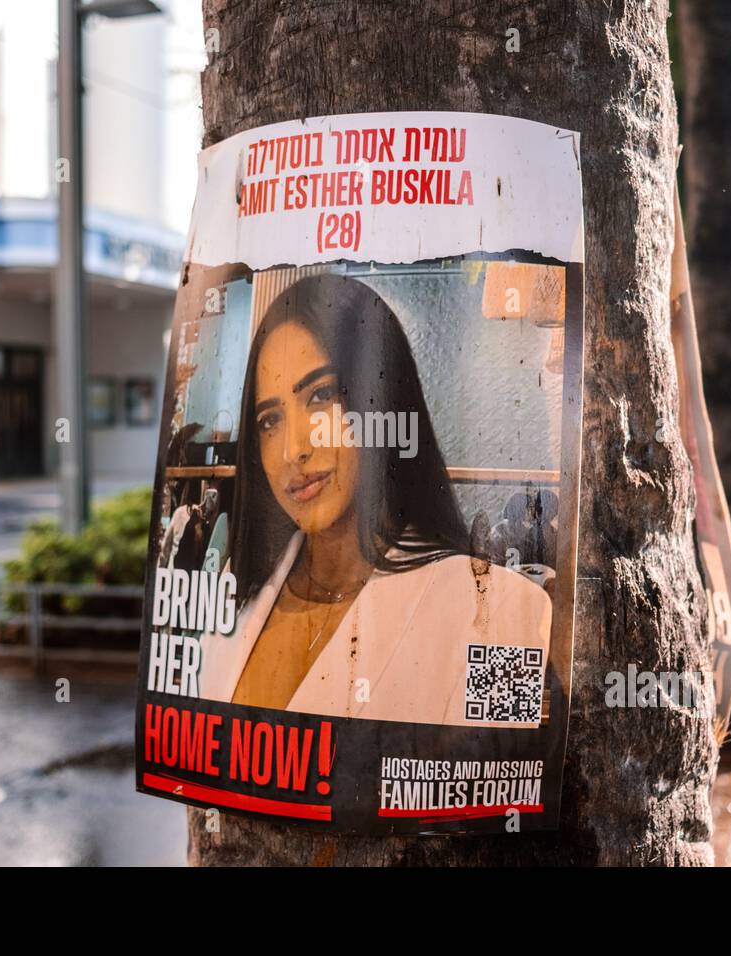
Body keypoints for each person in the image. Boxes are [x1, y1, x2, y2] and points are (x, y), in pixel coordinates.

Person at [195, 274, 551, 727]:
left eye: (321, 395)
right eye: (269, 421)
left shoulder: (506, 616)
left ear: (383, 401)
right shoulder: (236, 591)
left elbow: (499, 789)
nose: (293, 451)